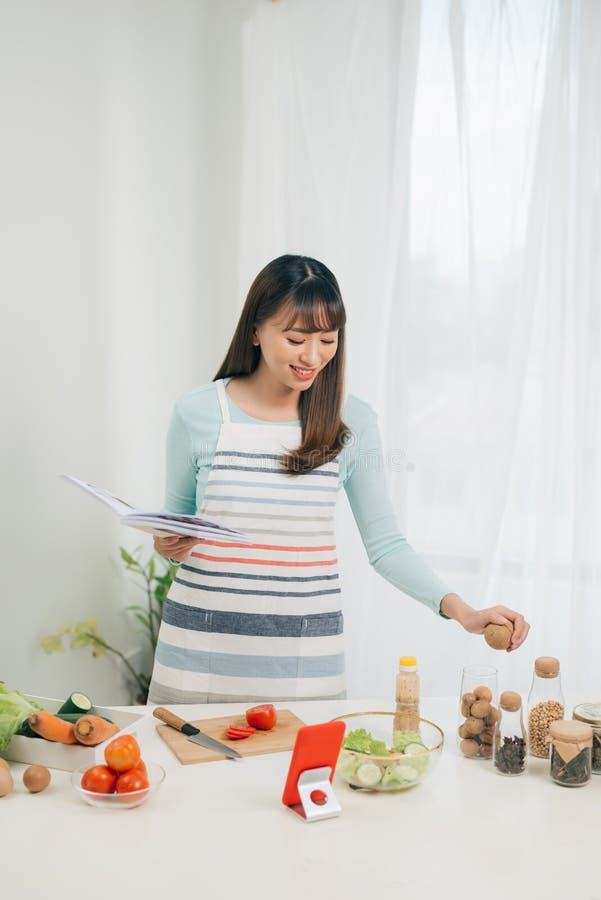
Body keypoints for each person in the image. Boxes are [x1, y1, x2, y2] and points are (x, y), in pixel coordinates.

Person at [147, 254, 529, 704]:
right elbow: (176, 528)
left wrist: (464, 612)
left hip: (305, 662)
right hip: (199, 656)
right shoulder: (198, 413)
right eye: (296, 339)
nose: (313, 357)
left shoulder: (353, 421)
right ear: (255, 330)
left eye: (328, 340)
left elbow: (385, 545)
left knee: (302, 774)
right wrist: (168, 543)